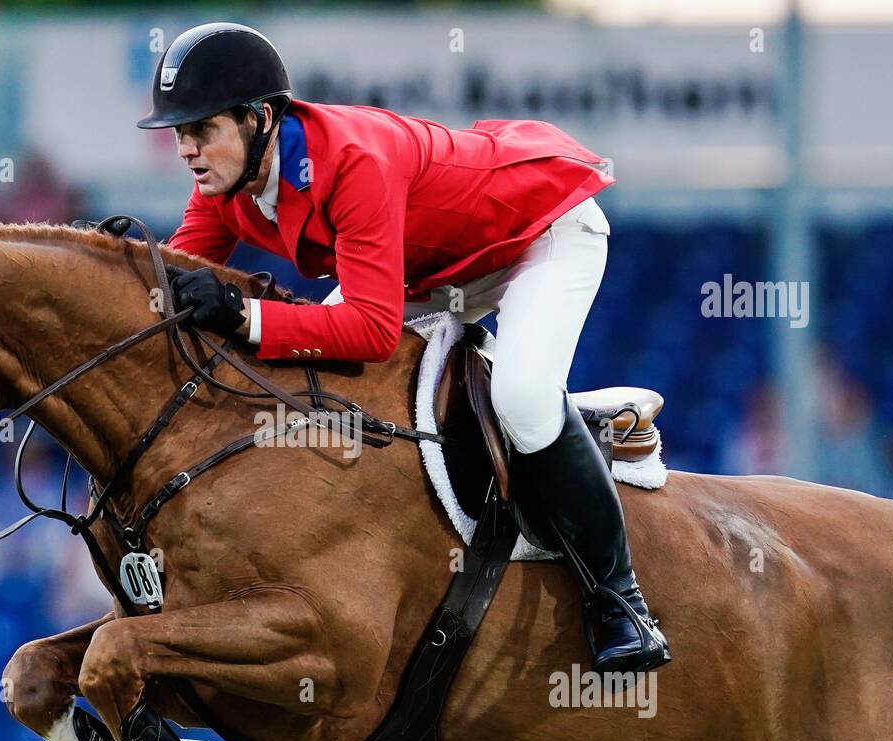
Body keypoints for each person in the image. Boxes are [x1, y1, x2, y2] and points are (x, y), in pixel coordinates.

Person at [142, 22, 669, 673]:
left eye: (202, 131)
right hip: (437, 273)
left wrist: (247, 317)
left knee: (524, 398)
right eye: (180, 135)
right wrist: (87, 265)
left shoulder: (353, 159)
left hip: (539, 231)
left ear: (257, 120)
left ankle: (621, 601)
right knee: (319, 382)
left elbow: (368, 328)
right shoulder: (229, 183)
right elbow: (165, 285)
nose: (188, 151)